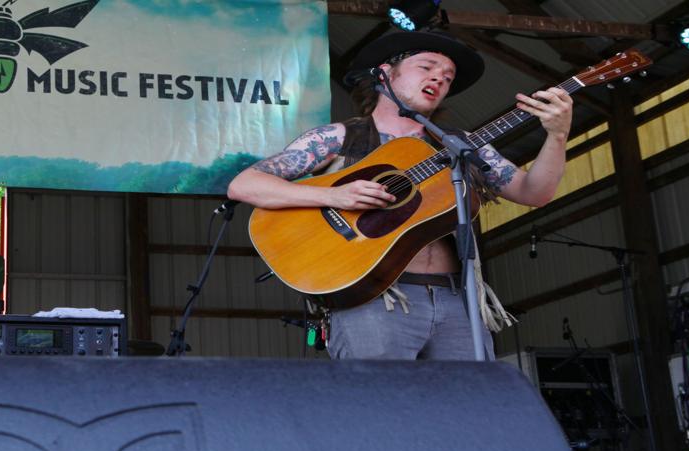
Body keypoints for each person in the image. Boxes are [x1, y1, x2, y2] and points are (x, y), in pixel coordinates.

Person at [227, 30, 572, 361]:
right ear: (384, 74)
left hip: (456, 297)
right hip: (373, 298)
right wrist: (336, 197)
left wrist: (557, 136)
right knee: (381, 409)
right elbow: (245, 184)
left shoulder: (460, 144)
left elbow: (534, 193)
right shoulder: (339, 137)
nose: (439, 79)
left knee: (469, 410)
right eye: (426, 68)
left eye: (448, 77)